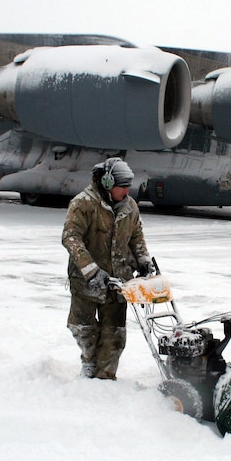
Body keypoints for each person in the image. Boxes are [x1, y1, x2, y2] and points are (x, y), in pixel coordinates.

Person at [61, 158, 154, 380]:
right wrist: (90, 270)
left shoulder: (130, 207)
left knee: (114, 334)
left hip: (117, 282)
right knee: (83, 327)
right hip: (86, 281)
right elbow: (71, 237)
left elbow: (136, 236)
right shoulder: (83, 204)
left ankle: (105, 377)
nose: (127, 191)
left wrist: (142, 259)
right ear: (107, 182)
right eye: (122, 186)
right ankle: (89, 364)